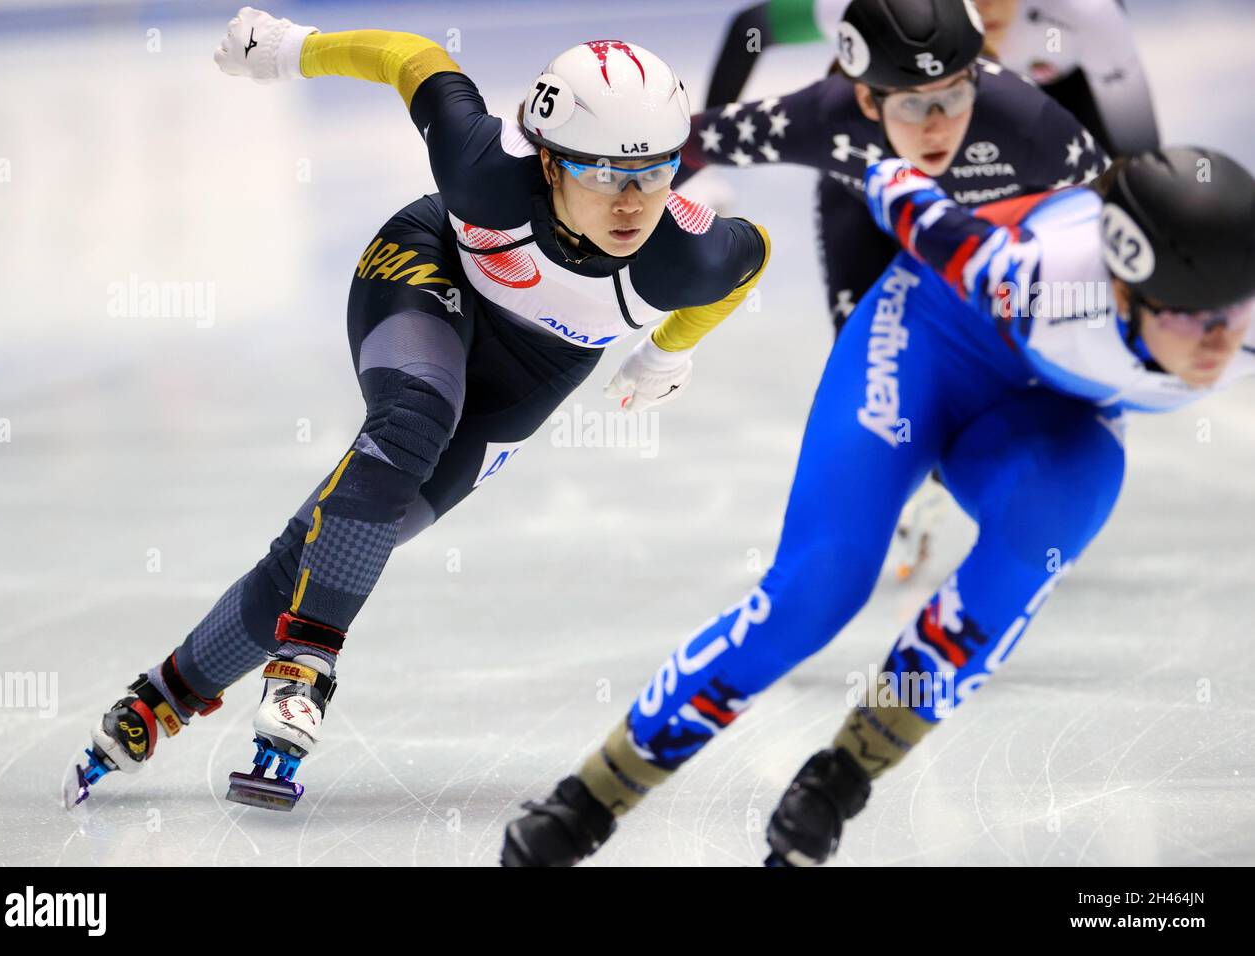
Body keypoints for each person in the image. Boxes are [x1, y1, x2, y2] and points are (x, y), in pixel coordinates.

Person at [65, 7, 769, 811]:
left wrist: (670, 349)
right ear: (546, 163)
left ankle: (165, 695)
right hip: (427, 274)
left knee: (342, 545)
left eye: (653, 170)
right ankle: (305, 668)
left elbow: (753, 262)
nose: (632, 200)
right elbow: (414, 58)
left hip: (536, 367)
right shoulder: (483, 167)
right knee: (413, 420)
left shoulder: (693, 257)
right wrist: (295, 51)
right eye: (603, 171)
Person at [501, 145, 1255, 866]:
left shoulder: (1229, 320)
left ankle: (839, 780)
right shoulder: (1031, 276)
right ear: (1121, 287)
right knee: (819, 587)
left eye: (1233, 315)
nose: (1218, 346)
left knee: (1056, 516)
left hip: (1049, 413)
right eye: (1190, 318)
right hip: (932, 343)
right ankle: (587, 803)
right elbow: (891, 182)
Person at [680, 0, 1109, 577]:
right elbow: (683, 144)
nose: (935, 124)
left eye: (953, 97)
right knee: (868, 370)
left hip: (978, 230)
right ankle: (918, 475)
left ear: (976, 81)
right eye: (911, 104)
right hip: (861, 212)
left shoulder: (1028, 123)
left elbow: (1116, 221)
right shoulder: (820, 118)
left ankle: (954, 465)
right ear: (866, 99)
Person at [703, 0, 1157, 157]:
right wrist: (706, 149)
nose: (987, 7)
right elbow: (752, 29)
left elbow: (1138, 156)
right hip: (927, 77)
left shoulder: (1089, 16)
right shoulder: (889, 8)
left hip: (1063, 86)